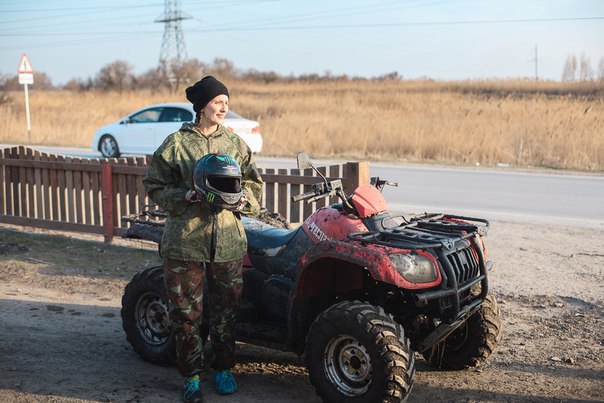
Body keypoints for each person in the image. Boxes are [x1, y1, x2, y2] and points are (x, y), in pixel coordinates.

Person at [142, 76, 263, 403]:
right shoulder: (176, 144)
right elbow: (153, 184)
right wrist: (184, 196)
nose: (224, 107)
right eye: (218, 101)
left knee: (227, 312)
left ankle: (223, 369)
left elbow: (254, 185)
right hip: (185, 242)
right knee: (186, 315)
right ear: (202, 106)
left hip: (227, 243)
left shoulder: (235, 144)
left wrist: (243, 202)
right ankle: (191, 377)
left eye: (226, 102)